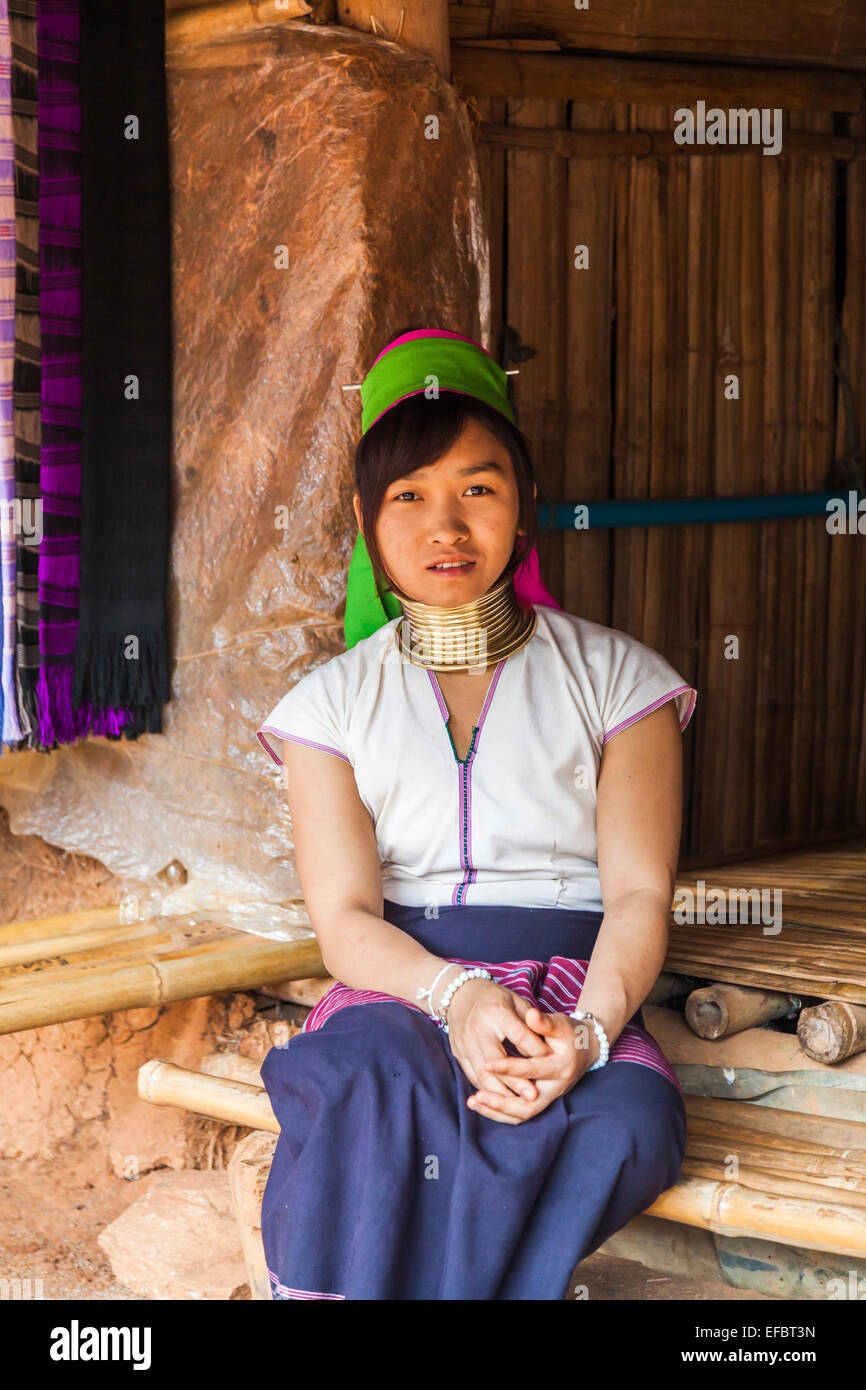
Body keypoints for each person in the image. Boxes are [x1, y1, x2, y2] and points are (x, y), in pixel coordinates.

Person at [254, 327, 698, 1301]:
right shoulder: (328, 706)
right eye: (407, 495)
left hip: (575, 989)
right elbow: (345, 922)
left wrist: (581, 1039)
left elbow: (635, 895)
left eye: (477, 488)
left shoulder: (621, 681)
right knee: (375, 1076)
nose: (443, 524)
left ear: (524, 509)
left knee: (620, 1123)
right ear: (368, 524)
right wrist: (454, 997)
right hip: (403, 989)